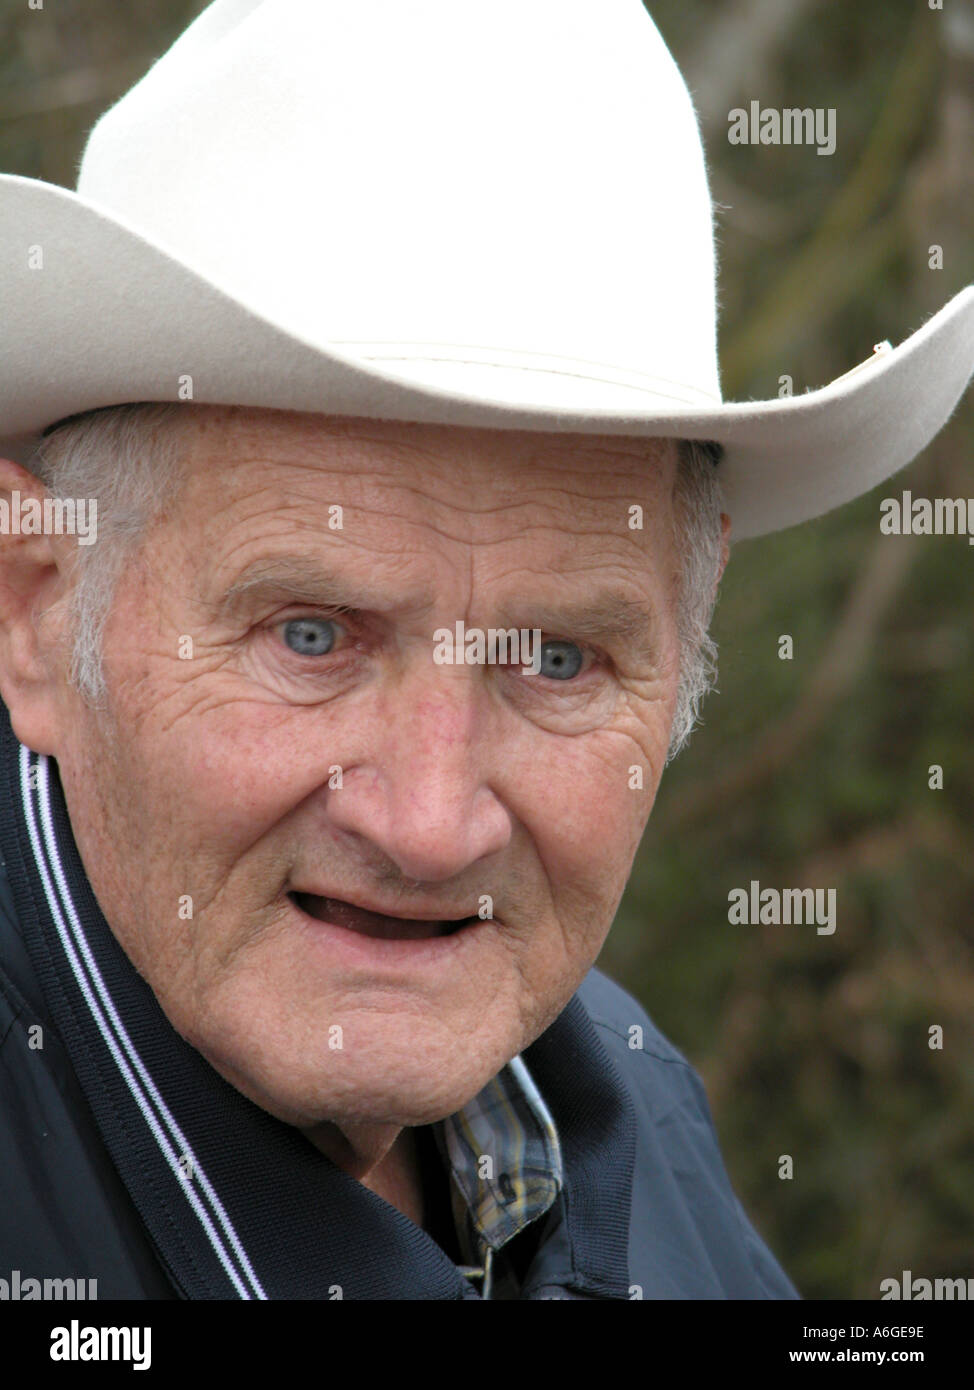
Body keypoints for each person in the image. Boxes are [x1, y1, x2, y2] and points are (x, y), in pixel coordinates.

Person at [0, 0, 970, 1301]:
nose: (430, 822)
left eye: (557, 659)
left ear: (689, 639)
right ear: (38, 610)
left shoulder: (634, 1120)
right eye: (311, 637)